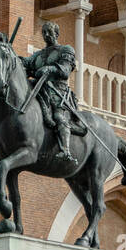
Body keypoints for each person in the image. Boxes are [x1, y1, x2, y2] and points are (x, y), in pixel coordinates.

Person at [23, 20, 87, 164]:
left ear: (56, 34)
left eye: (49, 32)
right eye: (44, 33)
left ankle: (65, 150)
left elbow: (65, 70)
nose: (46, 35)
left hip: (57, 90)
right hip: (38, 88)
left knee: (58, 116)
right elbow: (26, 64)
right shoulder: (38, 55)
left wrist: (50, 68)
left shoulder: (66, 50)